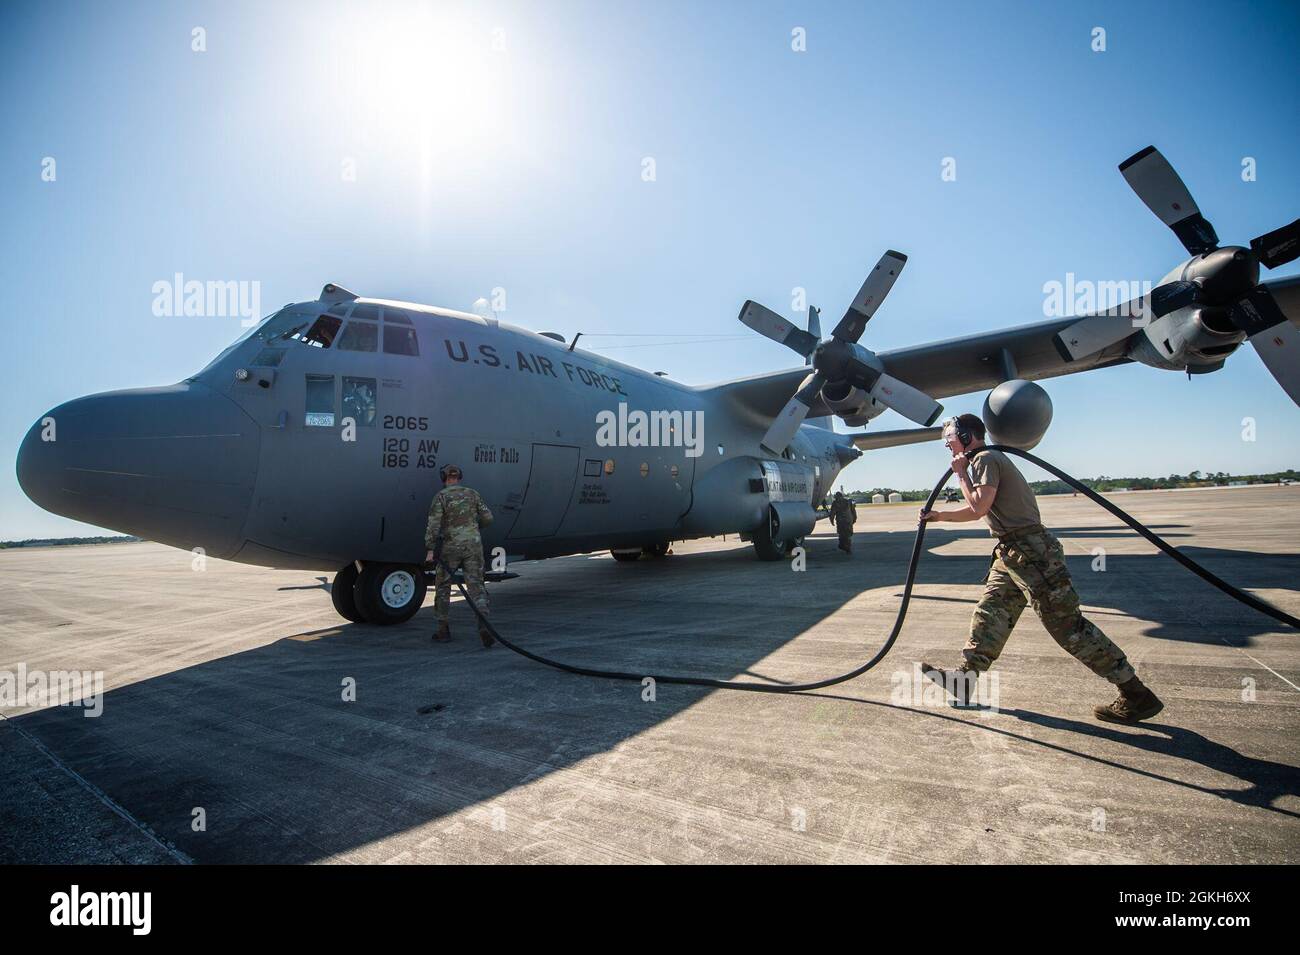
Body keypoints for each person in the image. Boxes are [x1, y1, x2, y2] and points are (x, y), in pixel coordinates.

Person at [918, 414, 1163, 724]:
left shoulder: (984, 459)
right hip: (1012, 553)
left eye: (950, 438)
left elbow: (979, 506)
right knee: (990, 614)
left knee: (1067, 627)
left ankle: (1135, 693)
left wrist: (961, 475)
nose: (947, 444)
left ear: (967, 436)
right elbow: (978, 509)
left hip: (1032, 553)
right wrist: (939, 516)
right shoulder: (983, 460)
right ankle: (965, 680)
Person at [425, 465, 495, 648]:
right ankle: (484, 626)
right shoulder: (473, 494)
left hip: (451, 547)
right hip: (473, 545)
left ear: (444, 478)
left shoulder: (441, 496)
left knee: (442, 586)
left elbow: (433, 525)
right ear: (459, 477)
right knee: (476, 586)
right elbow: (488, 518)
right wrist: (472, 530)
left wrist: (430, 548)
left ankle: (443, 630)